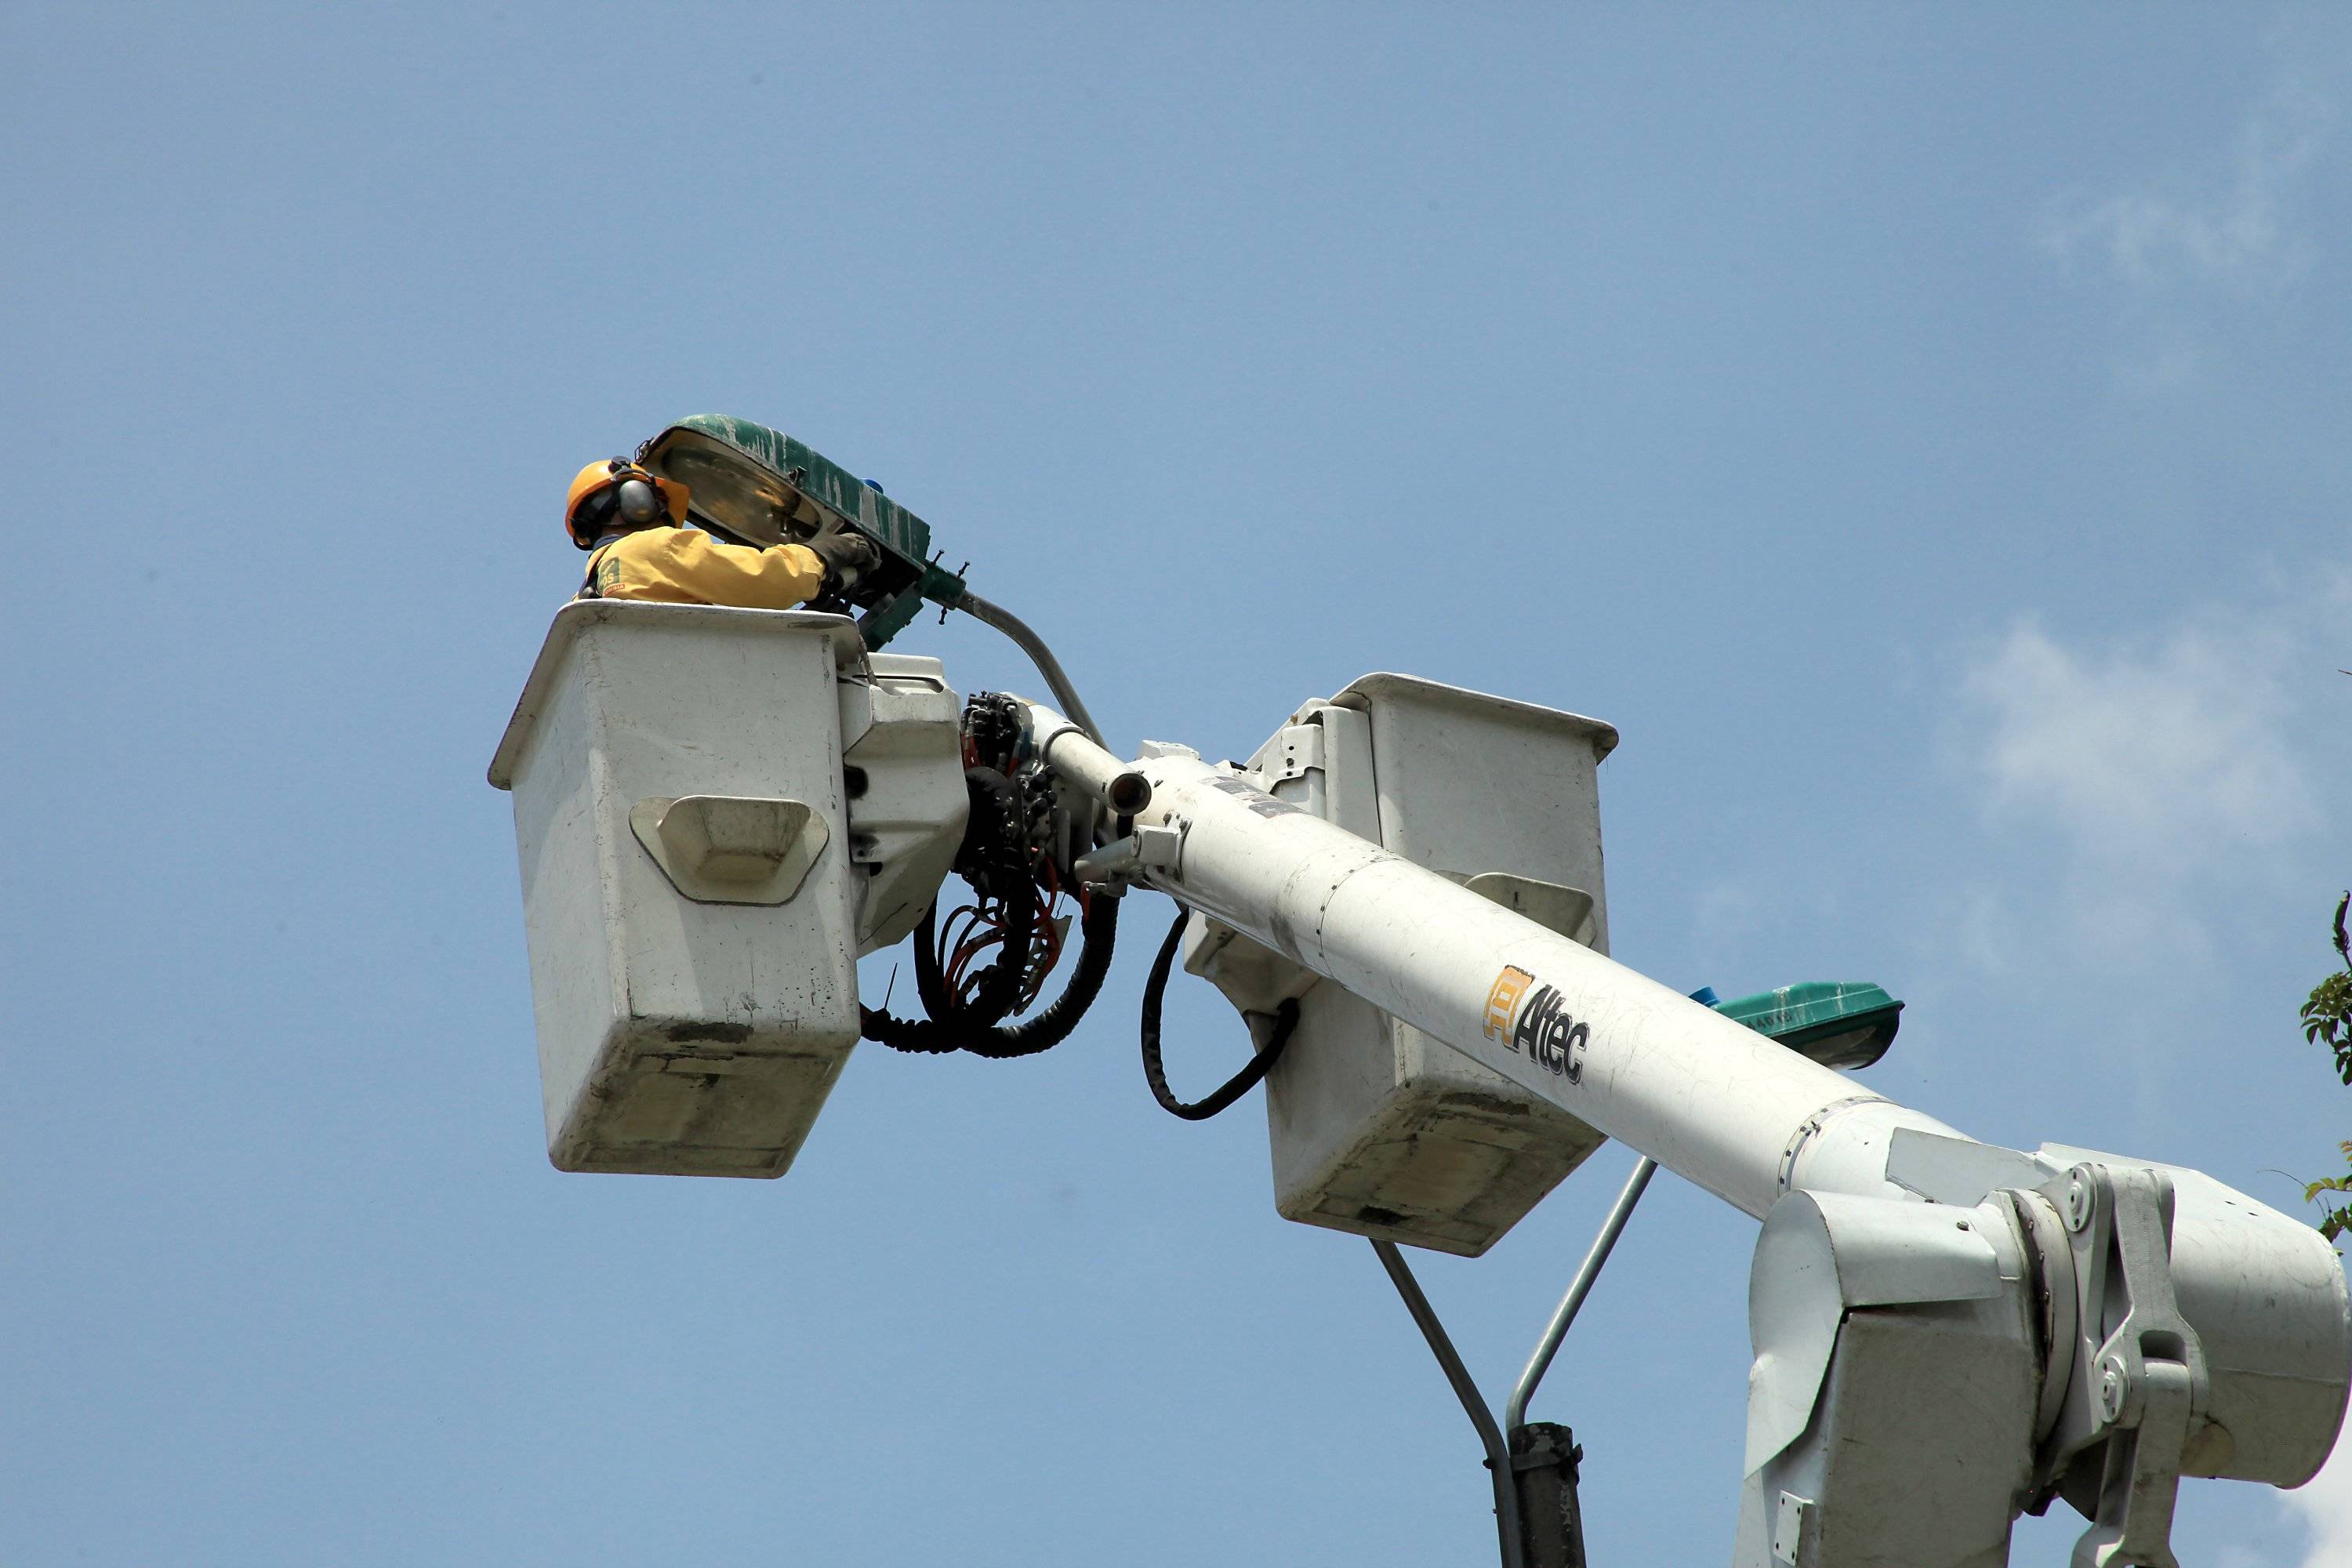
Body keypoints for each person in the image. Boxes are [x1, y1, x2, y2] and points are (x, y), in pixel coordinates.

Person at [564, 457, 882, 608]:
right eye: (658, 499)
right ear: (637, 500)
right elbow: (766, 581)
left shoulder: (580, 601)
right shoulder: (655, 548)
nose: (664, 510)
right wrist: (828, 553)